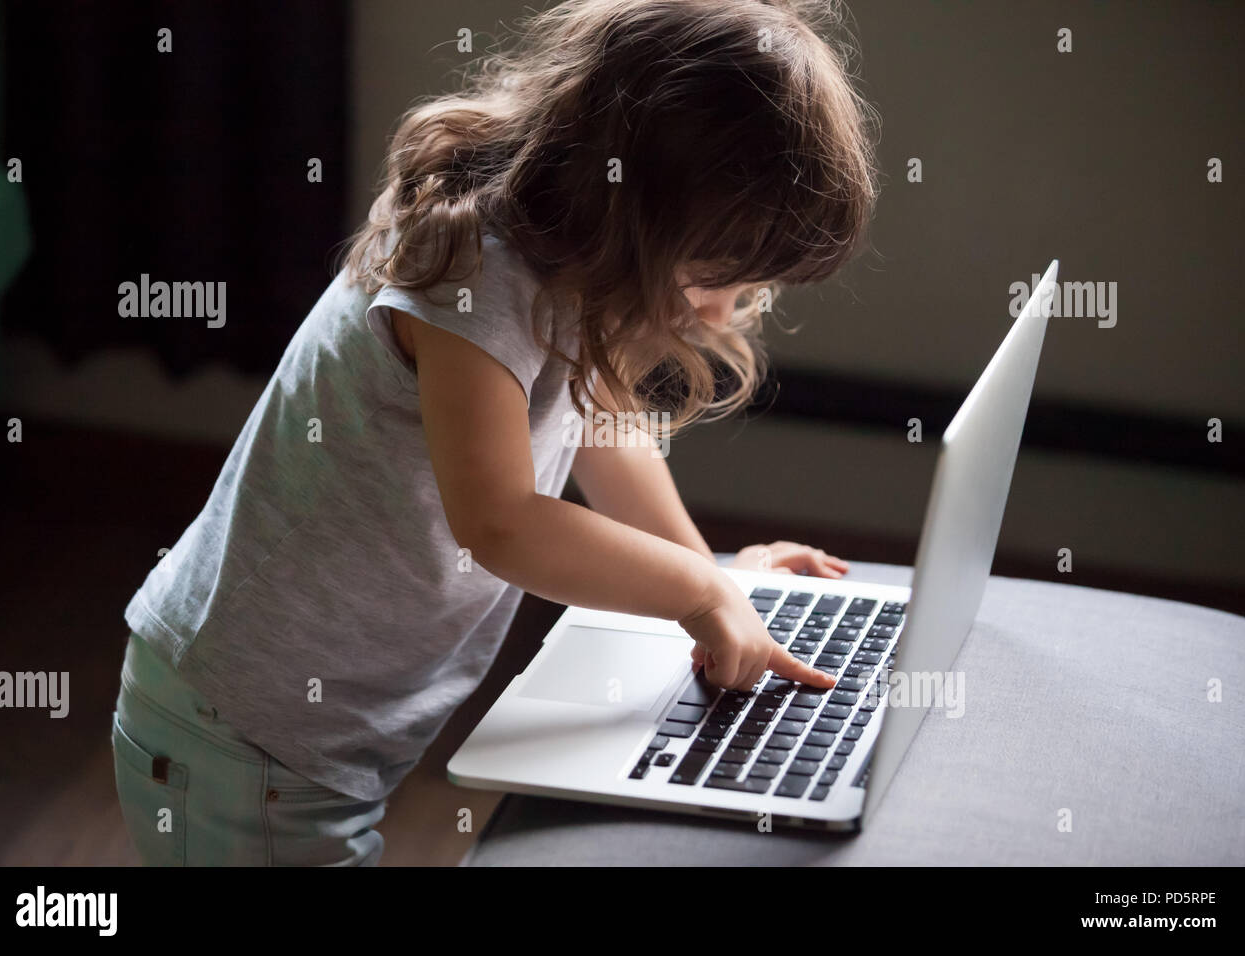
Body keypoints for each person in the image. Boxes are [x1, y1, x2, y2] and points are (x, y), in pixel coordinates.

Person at [111, 0, 878, 866]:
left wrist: (710, 580)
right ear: (634, 210)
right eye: (712, 275)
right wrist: (698, 598)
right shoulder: (475, 267)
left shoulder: (570, 256)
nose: (723, 312)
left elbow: (603, 429)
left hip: (311, 737)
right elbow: (502, 520)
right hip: (240, 730)